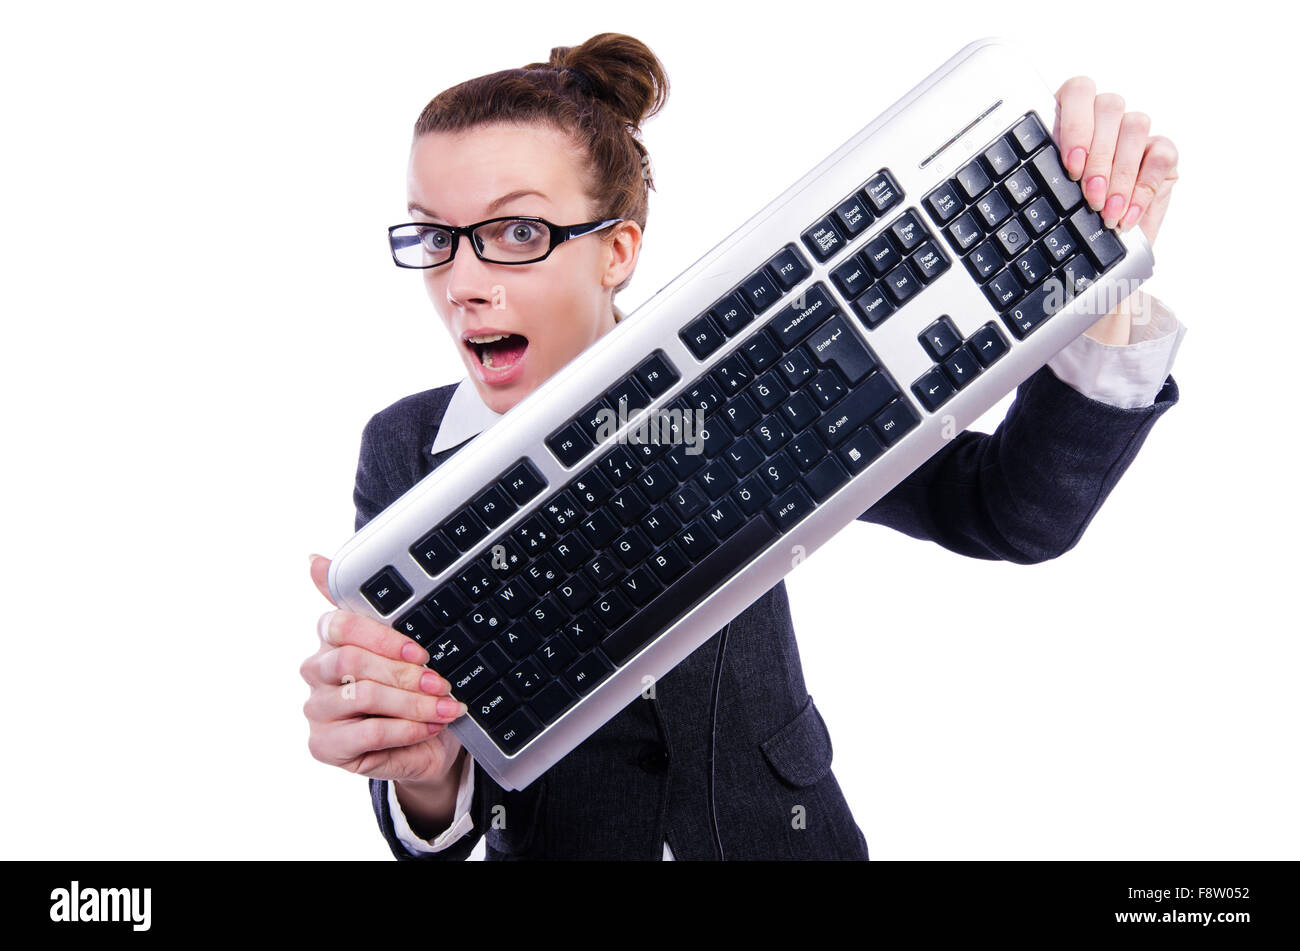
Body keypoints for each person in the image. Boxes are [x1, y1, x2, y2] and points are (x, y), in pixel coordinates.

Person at [302, 33, 1185, 860]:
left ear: (617, 250)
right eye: (433, 238)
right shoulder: (408, 447)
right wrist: (423, 775)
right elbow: (434, 776)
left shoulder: (758, 367)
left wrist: (1094, 277)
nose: (462, 285)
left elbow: (1013, 514)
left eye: (517, 232)